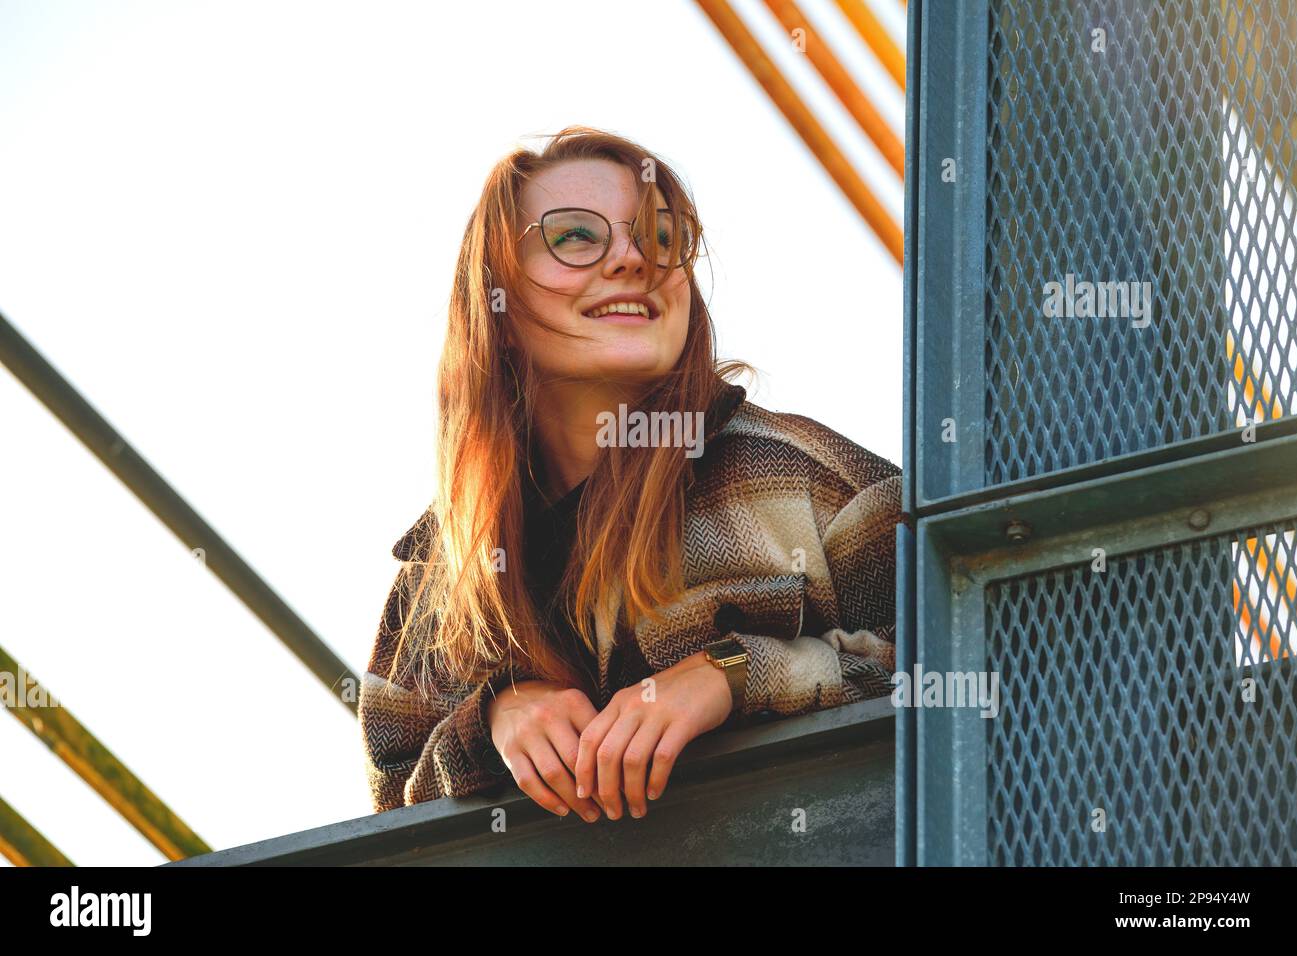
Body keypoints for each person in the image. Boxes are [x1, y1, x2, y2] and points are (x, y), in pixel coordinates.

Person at [359, 126, 901, 824]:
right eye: (578, 236)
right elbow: (388, 819)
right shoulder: (436, 582)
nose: (633, 260)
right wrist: (495, 716)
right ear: (495, 296)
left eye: (661, 237)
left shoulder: (799, 476)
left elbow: (982, 663)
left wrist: (736, 674)